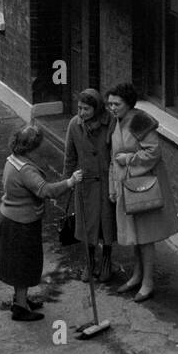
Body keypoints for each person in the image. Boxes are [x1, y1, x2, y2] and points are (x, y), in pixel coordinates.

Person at [0, 123, 81, 321]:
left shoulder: (13, 160)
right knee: (24, 264)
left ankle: (21, 299)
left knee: (20, 263)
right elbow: (46, 190)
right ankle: (20, 307)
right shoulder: (26, 170)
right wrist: (70, 182)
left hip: (12, 218)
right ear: (31, 148)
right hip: (21, 224)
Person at [105, 83, 178, 302]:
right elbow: (112, 157)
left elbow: (153, 152)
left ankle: (148, 282)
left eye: (116, 104)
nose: (112, 108)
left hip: (143, 186)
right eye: (109, 103)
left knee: (146, 236)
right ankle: (137, 275)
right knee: (135, 234)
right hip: (124, 184)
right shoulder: (116, 121)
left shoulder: (140, 121)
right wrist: (112, 186)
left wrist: (128, 159)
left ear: (129, 103)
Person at [63, 88, 117, 282]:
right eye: (79, 108)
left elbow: (116, 152)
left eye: (86, 108)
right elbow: (70, 156)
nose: (81, 112)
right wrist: (67, 182)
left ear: (96, 108)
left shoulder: (110, 122)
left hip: (106, 183)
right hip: (85, 183)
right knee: (87, 224)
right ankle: (90, 261)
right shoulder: (74, 125)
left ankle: (106, 259)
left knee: (108, 224)